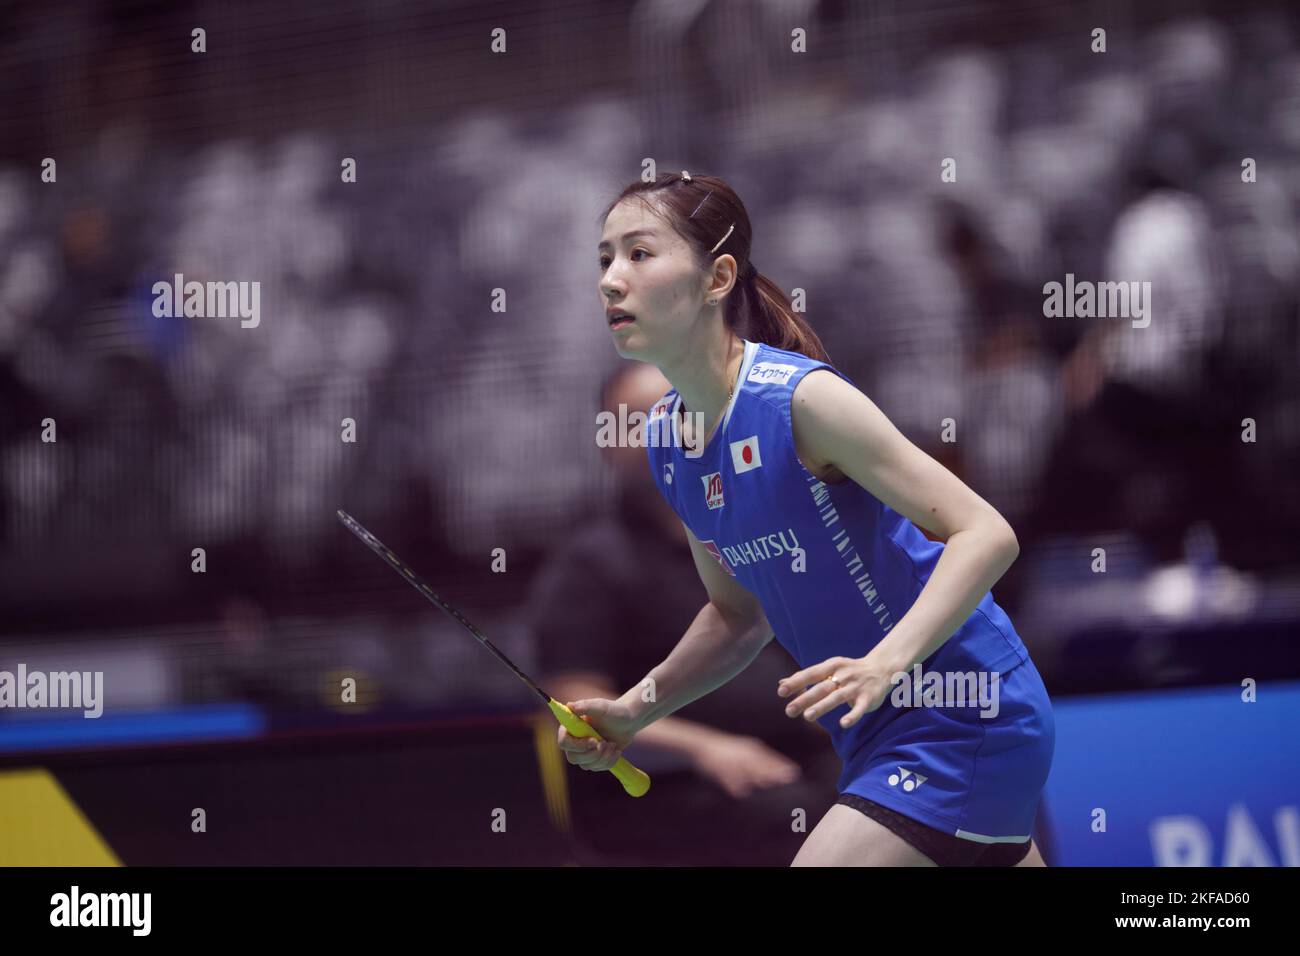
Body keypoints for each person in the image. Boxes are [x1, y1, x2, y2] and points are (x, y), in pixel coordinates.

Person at [560, 170, 1055, 866]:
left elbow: (986, 534)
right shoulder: (669, 441)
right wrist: (637, 708)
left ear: (716, 277)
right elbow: (738, 614)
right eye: (605, 258)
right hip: (870, 733)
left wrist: (885, 663)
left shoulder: (801, 402)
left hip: (959, 710)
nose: (612, 279)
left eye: (639, 253)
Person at [528, 360, 841, 866]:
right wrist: (709, 749)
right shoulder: (589, 563)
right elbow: (575, 700)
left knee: (890, 792)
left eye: (674, 416)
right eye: (637, 422)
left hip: (792, 757)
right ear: (607, 442)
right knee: (791, 813)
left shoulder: (750, 537)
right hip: (663, 786)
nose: (660, 435)